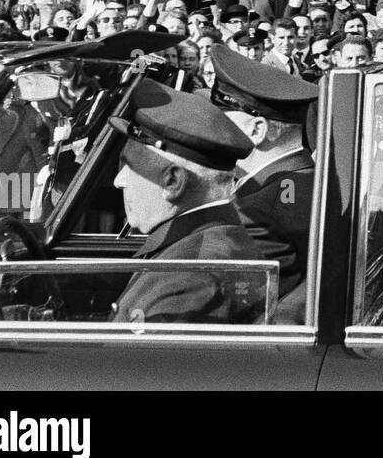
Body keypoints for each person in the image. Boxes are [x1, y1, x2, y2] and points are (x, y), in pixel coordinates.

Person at [109, 79, 263, 324]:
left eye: (130, 166)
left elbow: (135, 361)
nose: (119, 181)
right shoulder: (197, 249)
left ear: (172, 182)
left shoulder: (190, 275)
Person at [210, 46, 319, 301]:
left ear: (256, 131)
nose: (211, 128)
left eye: (221, 119)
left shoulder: (253, 213)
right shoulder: (313, 181)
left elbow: (253, 314)